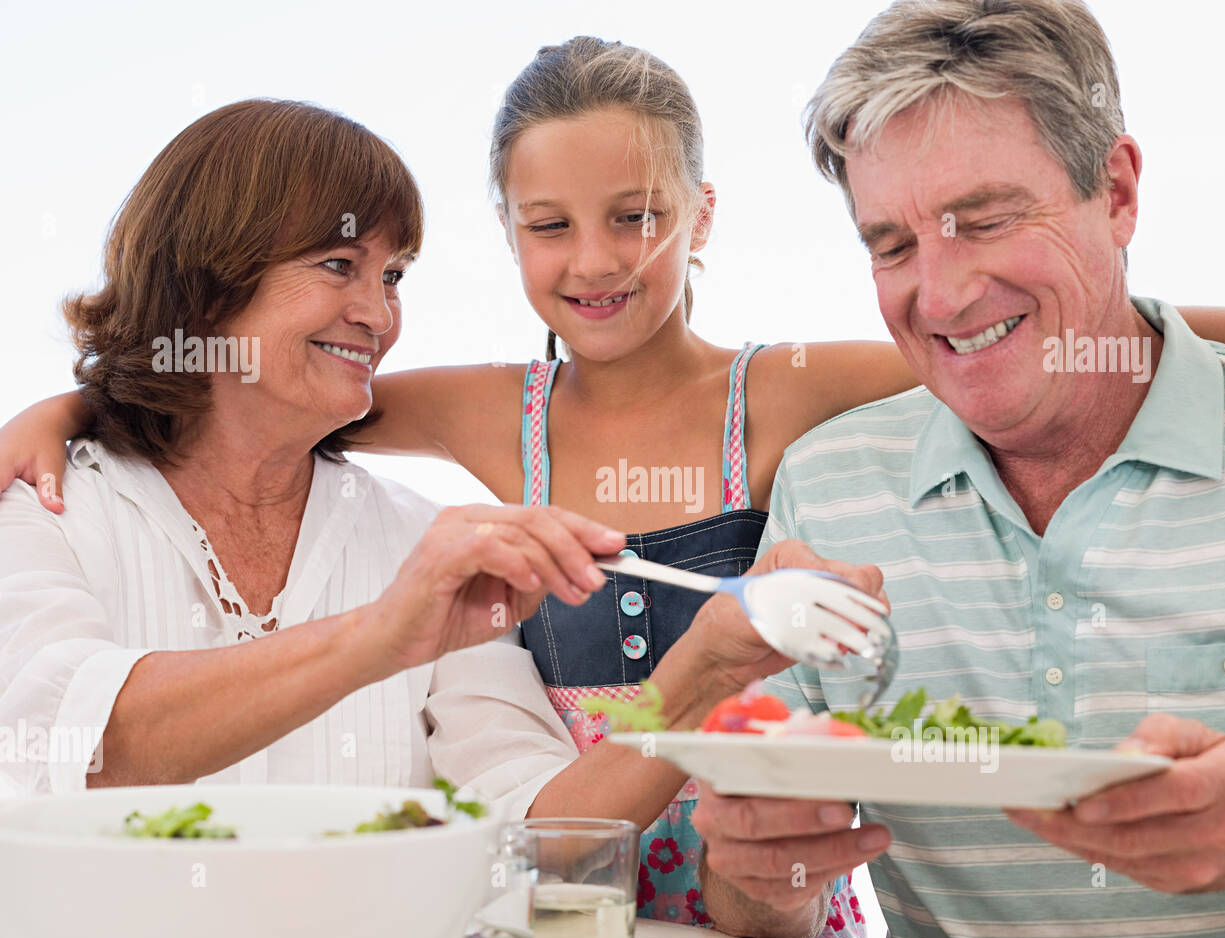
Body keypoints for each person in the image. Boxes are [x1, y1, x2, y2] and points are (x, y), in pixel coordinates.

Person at [2, 37, 1225, 938]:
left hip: (740, 892)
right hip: (585, 884)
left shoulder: (786, 389)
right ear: (510, 234)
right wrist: (74, 404)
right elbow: (254, 392)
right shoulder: (466, 412)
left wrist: (1176, 336)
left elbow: (1034, 331)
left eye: (637, 216)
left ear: (701, 215)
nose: (379, 312)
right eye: (547, 226)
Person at [0, 97, 876, 885]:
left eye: (393, 277)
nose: (380, 317)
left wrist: (701, 673)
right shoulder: (43, 506)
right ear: (207, 272)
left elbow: (541, 837)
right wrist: (385, 634)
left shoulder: (419, 544)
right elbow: (83, 741)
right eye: (340, 265)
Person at [692, 0, 1225, 938]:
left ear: (1116, 191)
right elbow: (762, 922)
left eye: (982, 220)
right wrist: (764, 873)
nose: (938, 294)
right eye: (890, 245)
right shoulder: (832, 488)